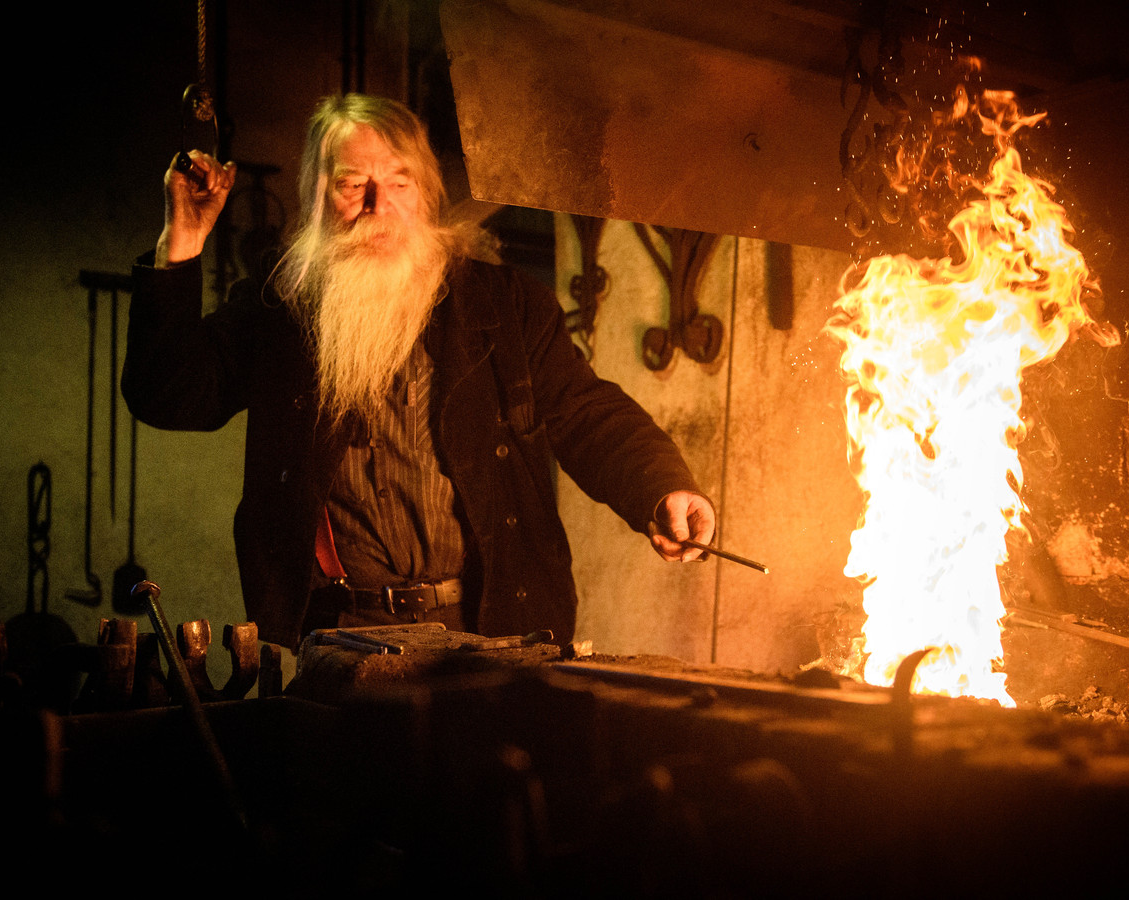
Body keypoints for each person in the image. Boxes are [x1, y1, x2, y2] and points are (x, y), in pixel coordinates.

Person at [123, 94, 715, 649]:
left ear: (426, 194)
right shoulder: (280, 309)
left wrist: (660, 487)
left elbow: (586, 412)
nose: (379, 206)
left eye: (399, 182)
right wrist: (183, 243)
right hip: (337, 634)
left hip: (488, 626)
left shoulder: (506, 304)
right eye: (354, 184)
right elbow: (168, 396)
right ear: (316, 196)